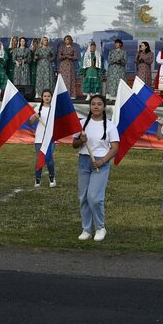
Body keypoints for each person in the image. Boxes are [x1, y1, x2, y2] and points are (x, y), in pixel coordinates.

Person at [72, 95, 119, 242]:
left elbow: (115, 147)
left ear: (104, 107)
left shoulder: (110, 125)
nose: (96, 106)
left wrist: (103, 161)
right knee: (83, 197)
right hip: (84, 161)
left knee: (95, 198)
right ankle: (86, 229)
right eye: (93, 104)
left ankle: (100, 227)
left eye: (99, 104)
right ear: (90, 106)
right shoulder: (82, 124)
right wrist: (81, 140)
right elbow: (74, 144)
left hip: (100, 163)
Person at [28, 89, 57, 187]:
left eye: (48, 96)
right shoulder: (37, 108)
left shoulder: (54, 109)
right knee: (39, 159)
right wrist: (34, 117)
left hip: (50, 138)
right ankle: (37, 179)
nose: (47, 98)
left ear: (51, 97)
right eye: (45, 96)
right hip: (39, 138)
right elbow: (30, 123)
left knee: (49, 159)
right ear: (42, 97)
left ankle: (52, 177)